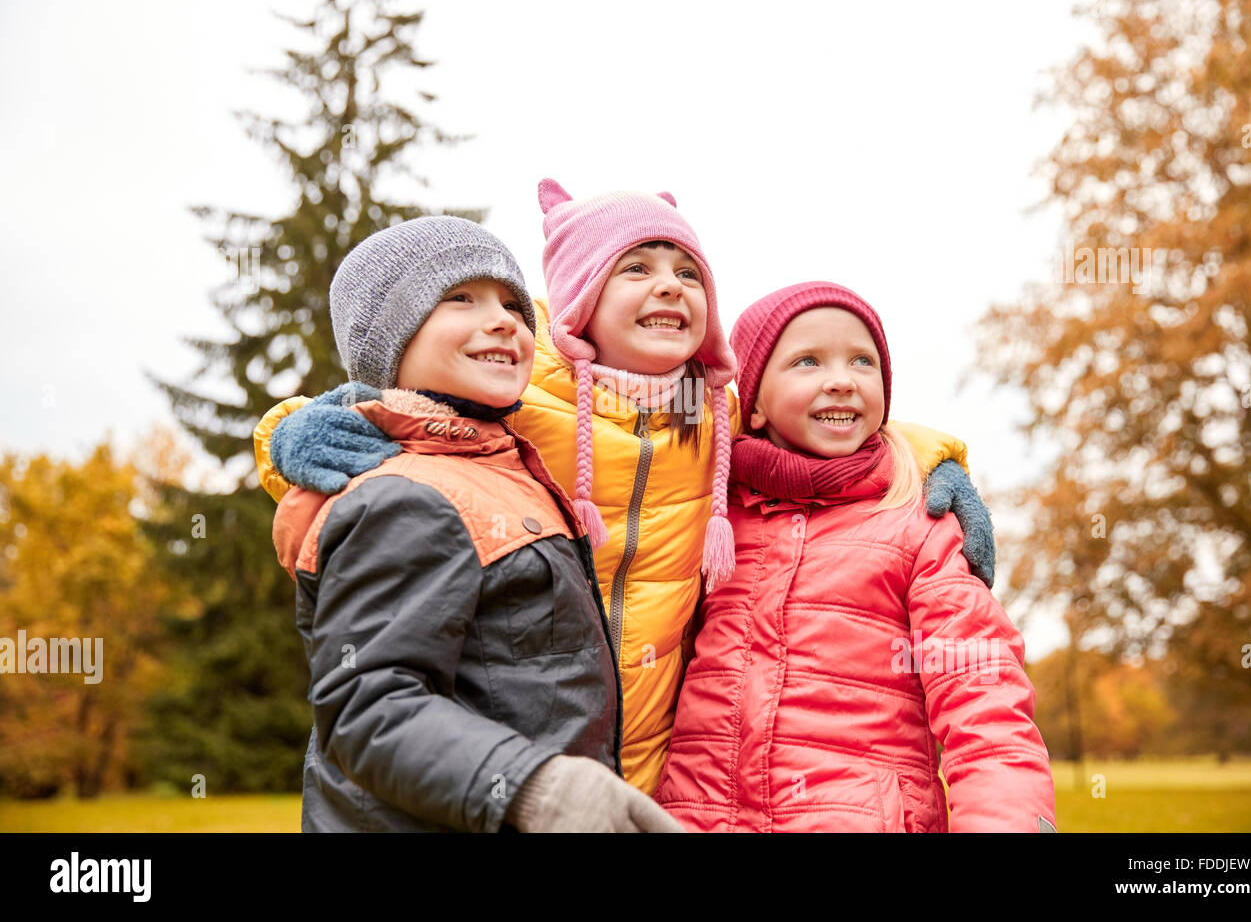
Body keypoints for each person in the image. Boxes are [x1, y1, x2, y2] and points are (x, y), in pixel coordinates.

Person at [253, 180, 994, 795]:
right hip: (518, 756)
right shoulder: (517, 386)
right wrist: (288, 430)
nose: (669, 285)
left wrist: (930, 456)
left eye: (688, 272)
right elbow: (406, 410)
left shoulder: (712, 416)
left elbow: (819, 420)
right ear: (577, 302)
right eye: (635, 268)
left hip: (651, 766)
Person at [272, 214, 682, 831]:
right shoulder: (404, 494)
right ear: (389, 338)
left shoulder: (510, 470)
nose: (504, 321)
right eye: (460, 298)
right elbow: (366, 706)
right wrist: (534, 787)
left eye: (515, 306)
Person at [654, 282, 1057, 832]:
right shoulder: (710, 514)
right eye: (807, 361)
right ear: (754, 404)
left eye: (862, 361)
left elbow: (983, 699)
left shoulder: (919, 524)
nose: (841, 379)